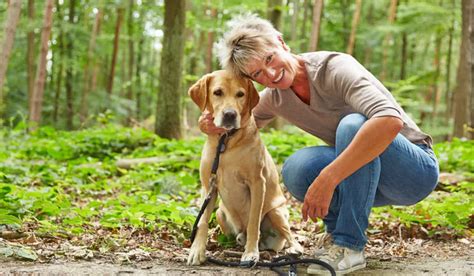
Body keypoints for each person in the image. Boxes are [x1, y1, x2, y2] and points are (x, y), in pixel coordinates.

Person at [198, 14, 439, 275]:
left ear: (281, 42)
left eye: (269, 58)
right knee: (297, 168)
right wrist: (209, 124)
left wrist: (329, 177)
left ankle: (350, 245)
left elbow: (390, 121)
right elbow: (240, 122)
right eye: (257, 73)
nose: (270, 73)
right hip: (369, 176)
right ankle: (336, 239)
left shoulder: (334, 68)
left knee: (353, 124)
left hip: (414, 172)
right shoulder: (274, 97)